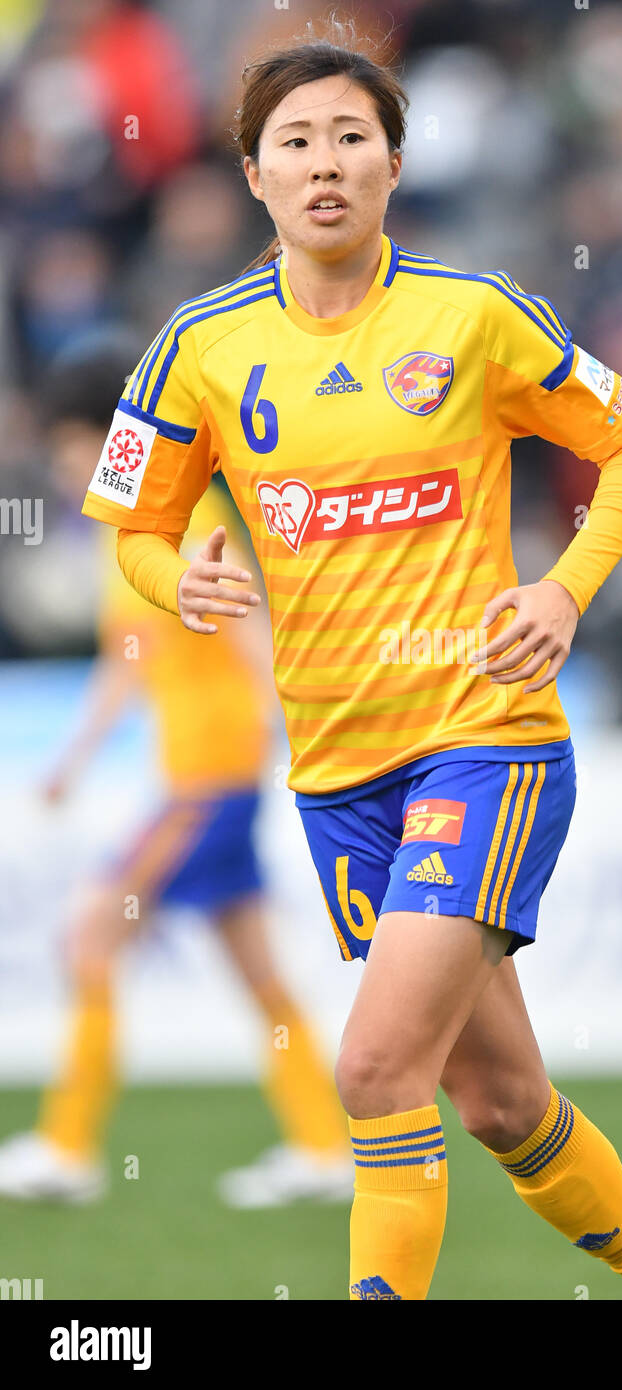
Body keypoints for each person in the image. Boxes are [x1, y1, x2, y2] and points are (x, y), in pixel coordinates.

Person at [79, 29, 622, 1300]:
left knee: (375, 1070)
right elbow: (133, 528)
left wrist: (560, 590)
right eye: (295, 142)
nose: (323, 163)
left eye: (348, 137)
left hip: (483, 738)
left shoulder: (475, 313)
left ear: (392, 161)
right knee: (497, 1099)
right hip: (337, 771)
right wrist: (183, 580)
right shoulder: (198, 347)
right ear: (253, 174)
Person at [0, 341, 352, 1208]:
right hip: (196, 776)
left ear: (109, 438)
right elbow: (130, 661)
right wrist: (72, 762)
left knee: (89, 934)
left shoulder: (192, 523)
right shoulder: (131, 534)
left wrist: (299, 730)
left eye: (73, 446)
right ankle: (325, 1147)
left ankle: (69, 1146)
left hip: (211, 781)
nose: (66, 465)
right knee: (255, 968)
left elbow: (249, 629)